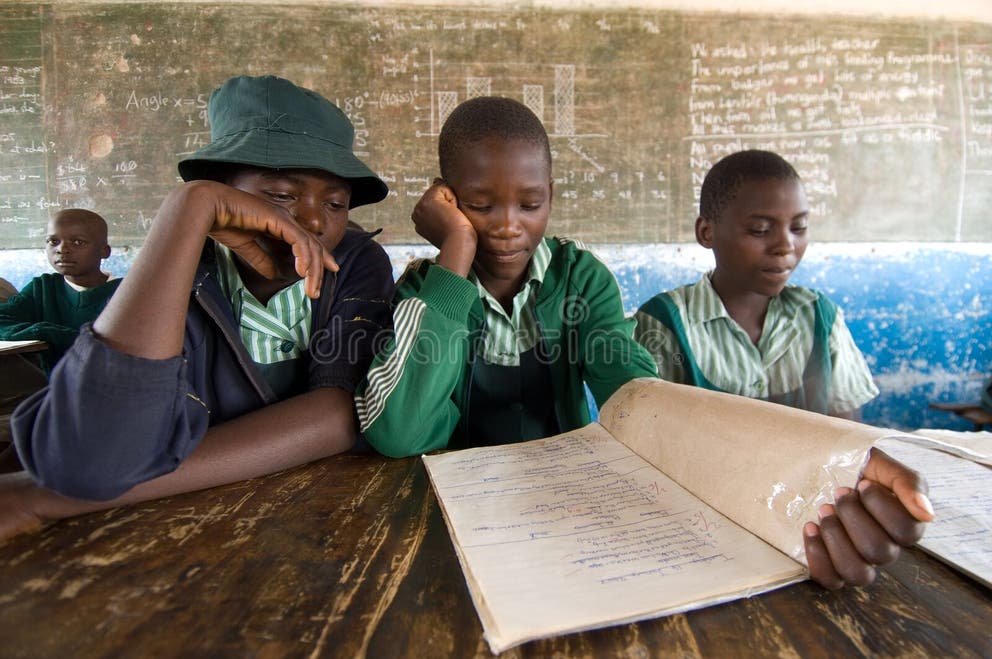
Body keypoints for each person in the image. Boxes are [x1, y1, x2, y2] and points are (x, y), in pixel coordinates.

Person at [356, 97, 932, 590]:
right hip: (452, 519)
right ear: (446, 201)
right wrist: (455, 255)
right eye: (479, 207)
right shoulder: (425, 294)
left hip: (559, 516)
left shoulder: (580, 281)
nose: (508, 225)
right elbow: (401, 434)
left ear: (551, 196)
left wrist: (825, 458)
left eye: (530, 204)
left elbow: (639, 397)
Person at [0, 75, 393, 539]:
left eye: (336, 203)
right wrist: (188, 206)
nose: (312, 219)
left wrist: (50, 497)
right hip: (168, 528)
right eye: (282, 195)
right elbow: (95, 459)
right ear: (224, 192)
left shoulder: (353, 262)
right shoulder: (181, 269)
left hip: (306, 516)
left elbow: (336, 415)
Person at [634, 150, 878, 419]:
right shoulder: (665, 323)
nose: (785, 246)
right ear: (707, 232)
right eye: (760, 230)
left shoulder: (820, 317)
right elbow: (654, 439)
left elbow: (849, 440)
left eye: (798, 227)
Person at [0, 208, 121, 373]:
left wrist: (62, 338)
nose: (62, 249)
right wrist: (45, 331)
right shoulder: (42, 288)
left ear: (104, 251)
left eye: (78, 242)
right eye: (53, 241)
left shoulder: (125, 293)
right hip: (55, 391)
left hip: (112, 390)